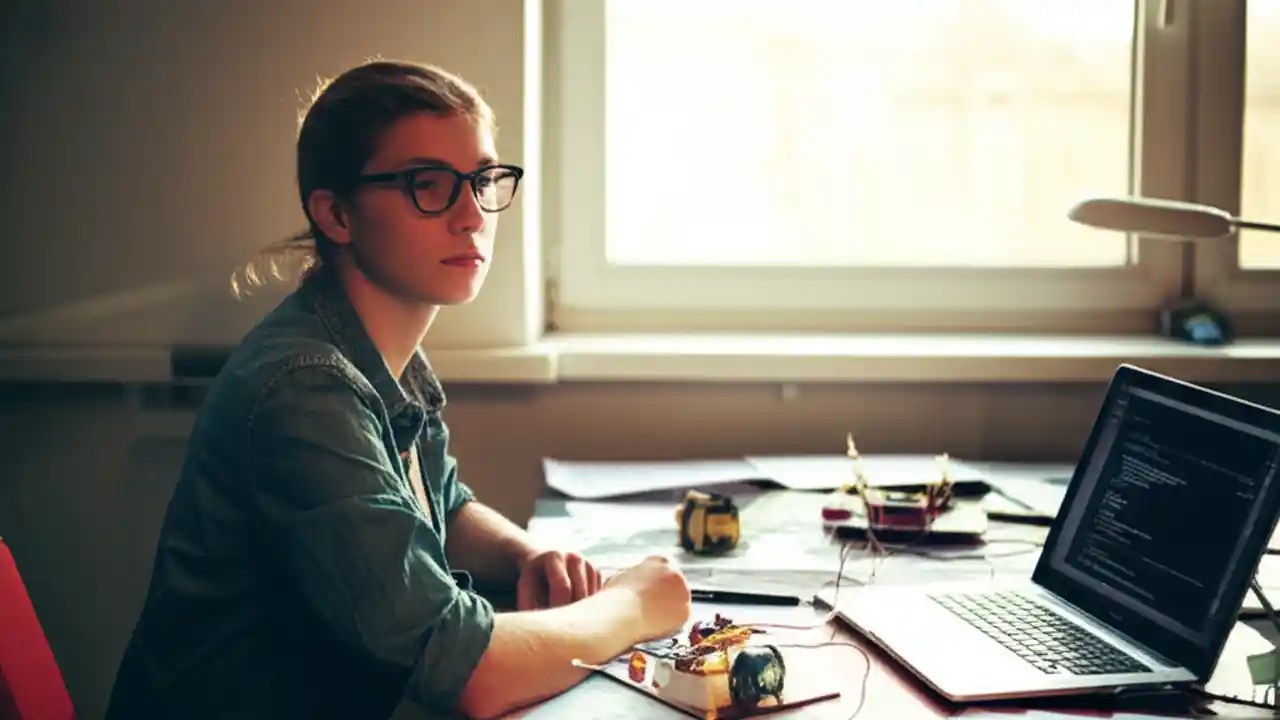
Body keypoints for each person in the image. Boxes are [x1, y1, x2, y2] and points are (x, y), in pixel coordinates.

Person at [105, 59, 691, 720]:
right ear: (336, 213)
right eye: (429, 185)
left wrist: (531, 556)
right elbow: (472, 672)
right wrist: (632, 605)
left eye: (483, 179)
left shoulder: (371, 349)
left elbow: (438, 504)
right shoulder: (304, 391)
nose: (472, 216)